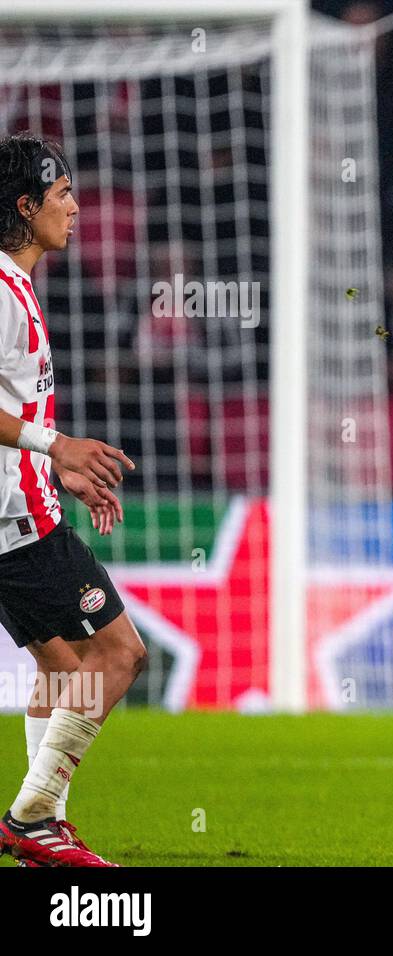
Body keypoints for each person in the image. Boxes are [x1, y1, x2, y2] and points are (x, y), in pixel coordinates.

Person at [0, 133, 146, 867]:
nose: (77, 208)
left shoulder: (16, 287)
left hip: (21, 510)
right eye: (62, 196)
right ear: (26, 208)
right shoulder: (0, 292)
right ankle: (32, 818)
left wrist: (59, 472)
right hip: (18, 528)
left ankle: (40, 830)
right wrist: (56, 449)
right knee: (120, 655)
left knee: (60, 673)